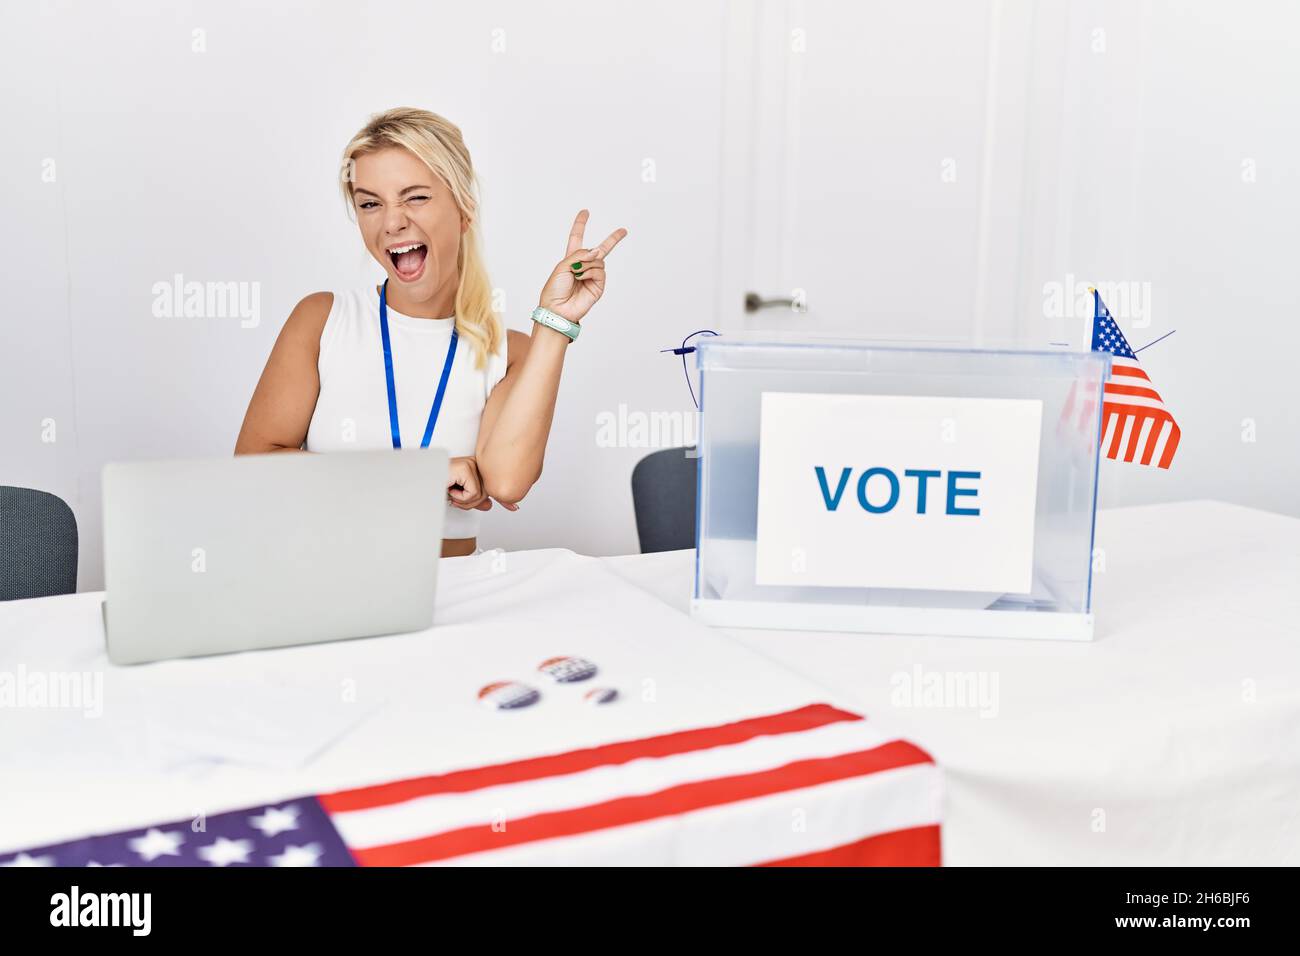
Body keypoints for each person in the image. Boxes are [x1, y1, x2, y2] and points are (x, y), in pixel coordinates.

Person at [234, 107, 627, 557]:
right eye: (369, 203)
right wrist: (418, 476)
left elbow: (508, 481)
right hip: (327, 586)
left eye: (415, 197)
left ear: (463, 210)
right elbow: (253, 470)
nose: (391, 222)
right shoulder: (322, 320)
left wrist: (556, 323)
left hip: (455, 597)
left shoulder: (511, 353)